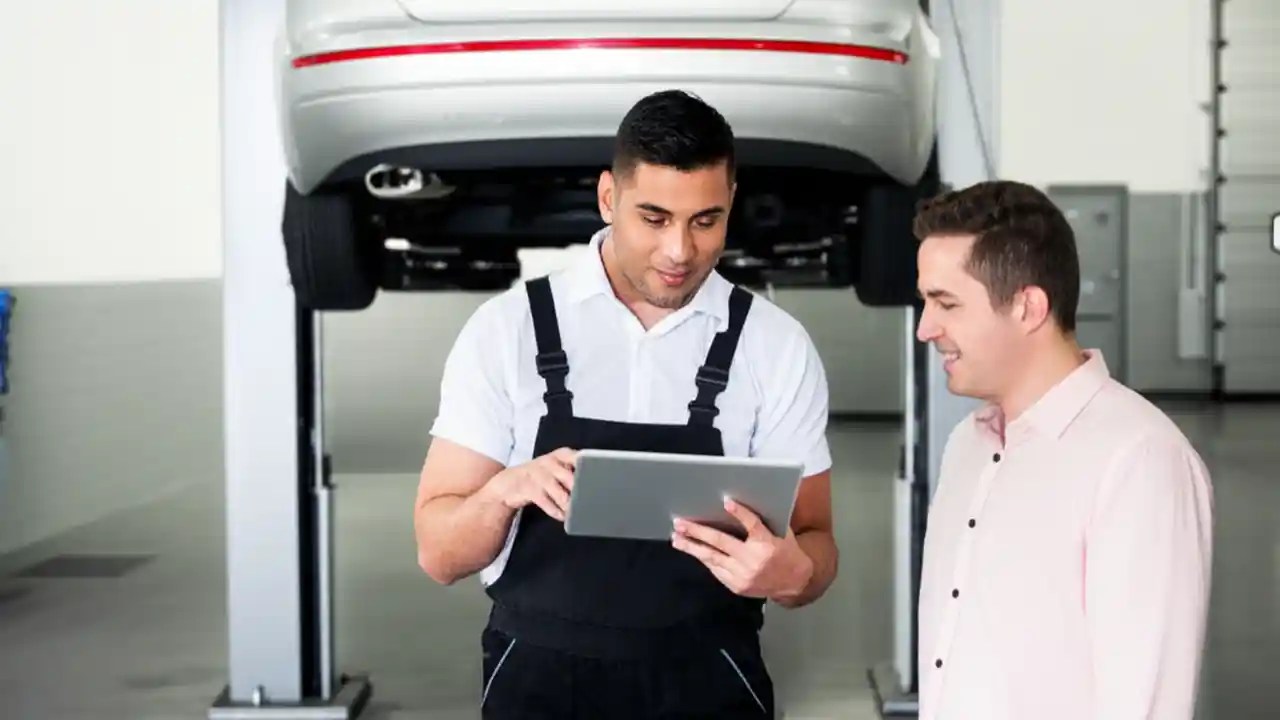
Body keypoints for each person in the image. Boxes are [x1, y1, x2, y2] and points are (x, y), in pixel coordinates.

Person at [413, 89, 837, 718]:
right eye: (654, 219)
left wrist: (792, 575)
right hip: (539, 682)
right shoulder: (508, 331)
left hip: (712, 679)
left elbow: (818, 544)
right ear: (608, 197)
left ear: (731, 203)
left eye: (705, 221)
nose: (679, 251)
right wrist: (504, 491)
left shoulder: (773, 345)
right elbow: (439, 555)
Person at [912, 180, 1214, 719]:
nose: (925, 328)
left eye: (946, 303)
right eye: (925, 301)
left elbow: (1146, 703)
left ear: (1028, 307)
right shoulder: (966, 446)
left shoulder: (1140, 460)